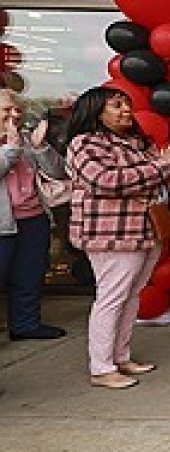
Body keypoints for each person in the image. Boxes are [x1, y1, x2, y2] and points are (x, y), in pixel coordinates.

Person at [64, 87, 170, 388]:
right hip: (112, 235)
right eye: (116, 106)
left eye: (127, 105)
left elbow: (155, 178)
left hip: (146, 230)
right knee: (112, 296)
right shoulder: (85, 143)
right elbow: (105, 181)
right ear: (95, 111)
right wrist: (161, 164)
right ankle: (102, 367)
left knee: (131, 295)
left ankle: (120, 355)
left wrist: (168, 164)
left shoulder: (135, 143)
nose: (126, 111)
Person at [0, 89, 70, 342]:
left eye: (17, 110)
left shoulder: (27, 139)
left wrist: (41, 148)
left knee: (29, 275)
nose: (15, 115)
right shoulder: (14, 144)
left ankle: (25, 325)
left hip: (34, 218)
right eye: (7, 110)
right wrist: (10, 149)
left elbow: (59, 172)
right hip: (2, 226)